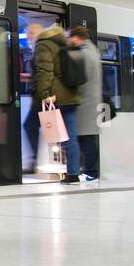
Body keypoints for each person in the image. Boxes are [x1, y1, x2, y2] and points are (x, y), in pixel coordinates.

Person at [30, 21, 82, 185]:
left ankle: (43, 165)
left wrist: (44, 94)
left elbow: (45, 71)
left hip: (56, 96)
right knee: (71, 136)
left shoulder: (44, 45)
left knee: (39, 129)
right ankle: (73, 174)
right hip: (72, 94)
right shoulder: (64, 43)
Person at [69, 25, 102, 182]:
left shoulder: (84, 54)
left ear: (77, 37)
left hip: (85, 101)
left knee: (87, 138)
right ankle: (89, 170)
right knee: (87, 137)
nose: (70, 41)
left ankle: (92, 172)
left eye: (71, 38)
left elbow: (81, 79)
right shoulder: (93, 51)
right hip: (91, 100)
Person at [21, 22, 44, 171]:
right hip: (41, 95)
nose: (28, 36)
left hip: (43, 96)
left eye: (30, 33)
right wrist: (29, 77)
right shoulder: (37, 49)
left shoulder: (41, 48)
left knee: (30, 125)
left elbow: (45, 73)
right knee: (31, 126)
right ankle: (35, 160)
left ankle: (35, 160)